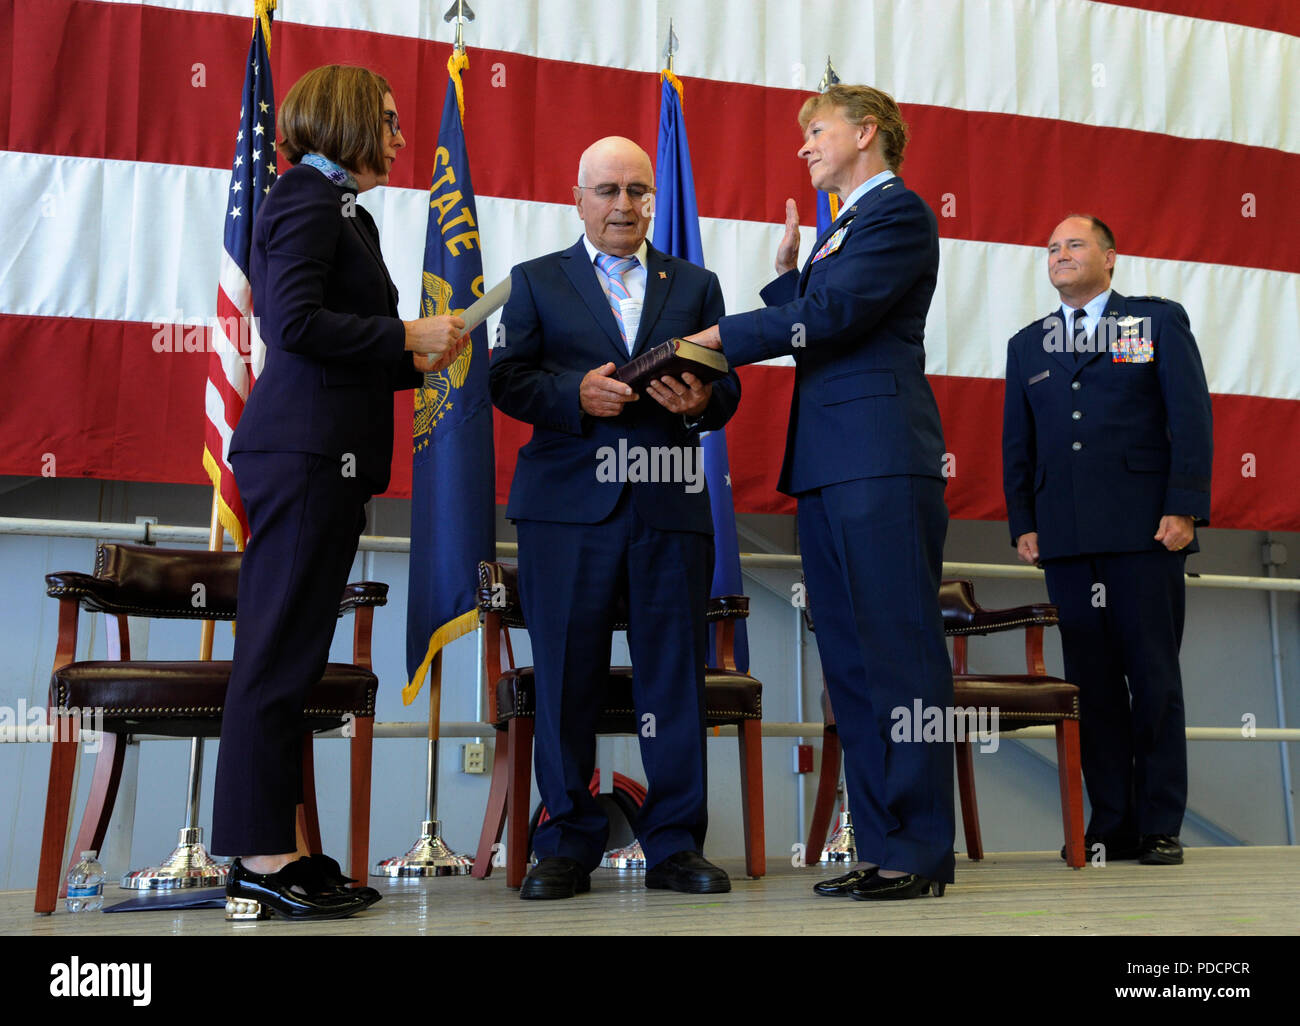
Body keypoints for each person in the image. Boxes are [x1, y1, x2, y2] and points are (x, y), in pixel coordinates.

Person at [684, 85, 953, 900]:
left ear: (866, 132)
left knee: (899, 655)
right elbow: (816, 316)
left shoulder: (897, 213)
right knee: (852, 663)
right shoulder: (844, 226)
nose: (803, 146)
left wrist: (716, 339)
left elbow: (833, 315)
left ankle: (918, 853)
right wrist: (789, 277)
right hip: (832, 466)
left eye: (816, 129)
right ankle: (880, 846)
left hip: (880, 461)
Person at [211, 64, 467, 920]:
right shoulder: (306, 200)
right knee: (277, 654)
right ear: (351, 121)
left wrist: (412, 356)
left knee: (294, 656)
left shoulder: (342, 211)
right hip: (303, 455)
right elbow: (292, 325)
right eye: (390, 120)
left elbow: (335, 343)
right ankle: (256, 852)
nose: (400, 135)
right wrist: (402, 331)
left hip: (331, 456)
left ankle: (281, 844)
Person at [489, 136, 741, 900]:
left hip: (668, 506)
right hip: (567, 512)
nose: (624, 206)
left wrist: (704, 402)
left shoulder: (696, 284)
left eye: (637, 191)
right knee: (568, 676)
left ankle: (672, 847)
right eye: (607, 191)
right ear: (579, 199)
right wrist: (575, 395)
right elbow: (506, 379)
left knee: (674, 680)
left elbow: (726, 391)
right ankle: (565, 843)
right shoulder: (533, 282)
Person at [1002, 214, 1213, 866]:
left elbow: (1190, 416)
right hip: (1066, 539)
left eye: (1075, 244)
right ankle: (1111, 822)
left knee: (1152, 676)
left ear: (1110, 257)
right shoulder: (1028, 343)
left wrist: (1184, 508)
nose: (1061, 254)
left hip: (1143, 530)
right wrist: (1024, 521)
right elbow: (1020, 440)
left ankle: (1157, 822)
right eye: (1052, 247)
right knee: (1090, 683)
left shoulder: (1147, 325)